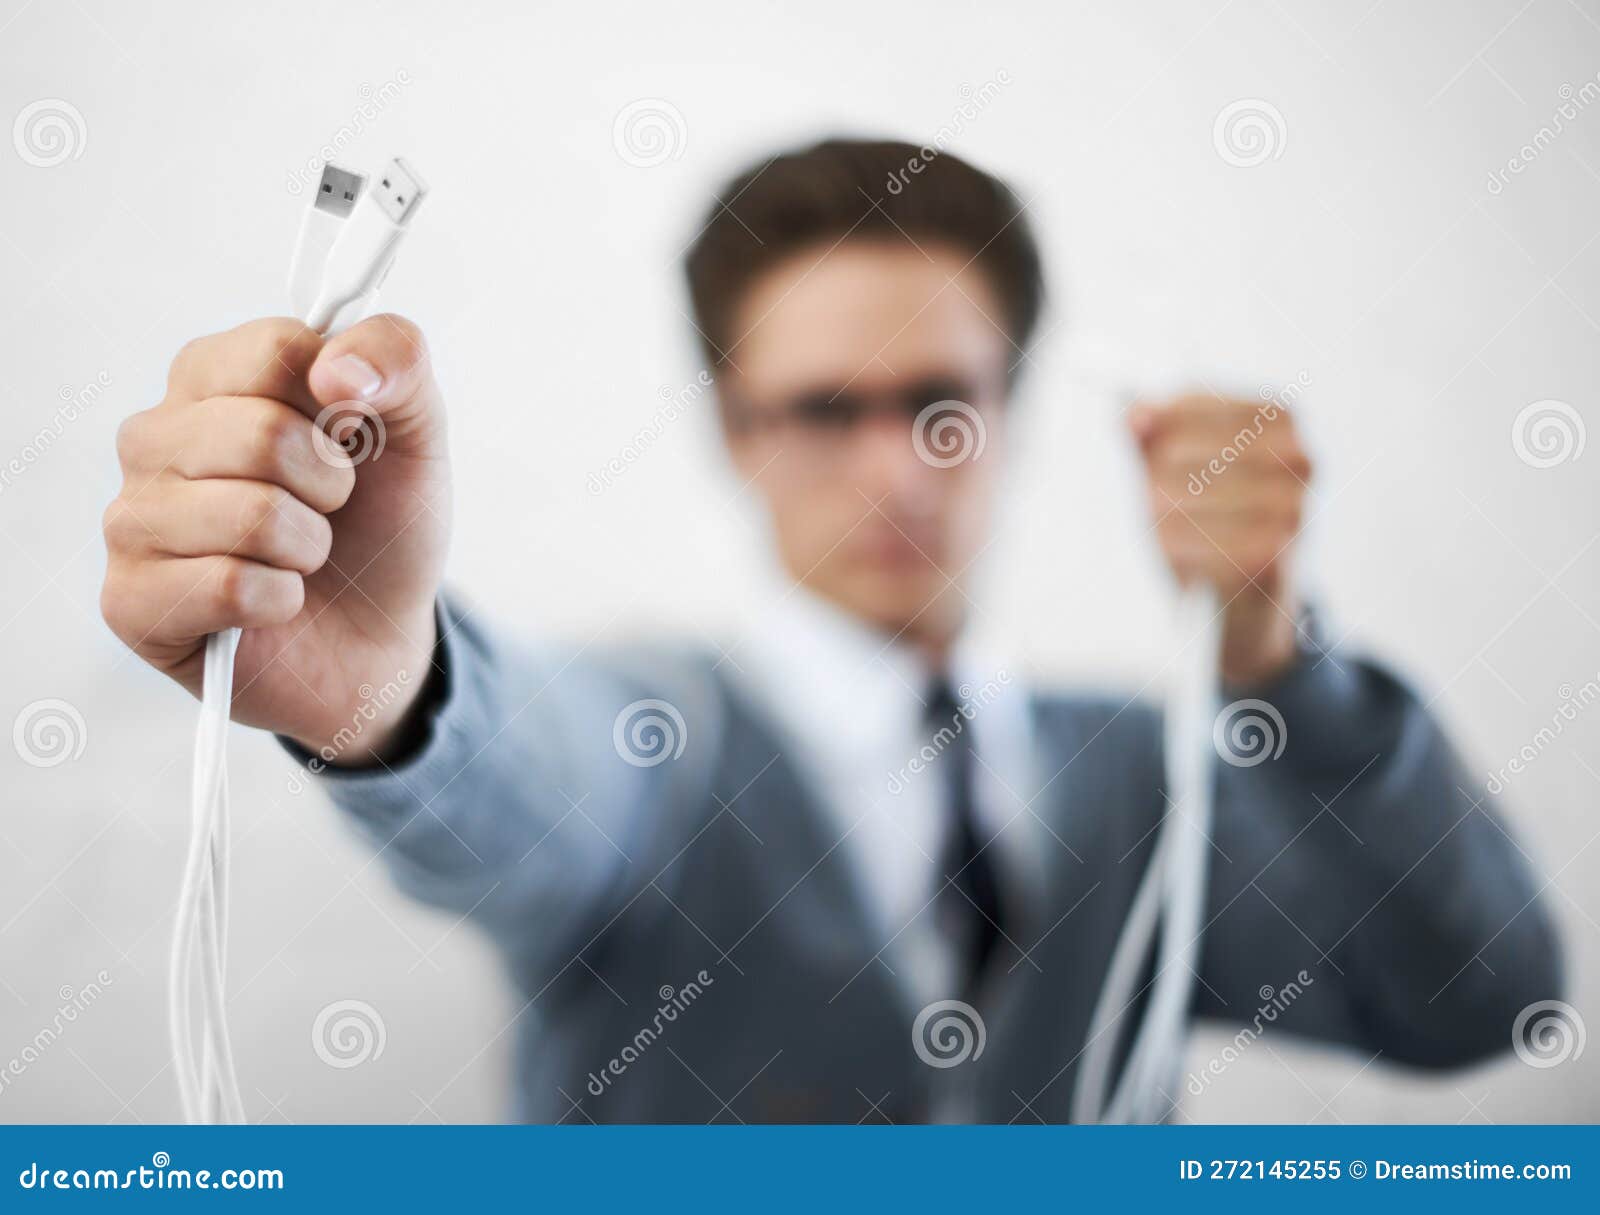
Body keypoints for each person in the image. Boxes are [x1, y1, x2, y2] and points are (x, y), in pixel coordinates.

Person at [101, 138, 1562, 1123]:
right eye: (821, 410)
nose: (891, 469)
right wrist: (396, 697)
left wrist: (1277, 662)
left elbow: (1475, 997)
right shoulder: (661, 737)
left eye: (940, 403)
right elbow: (535, 783)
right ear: (737, 432)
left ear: (1012, 413)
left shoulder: (1147, 777)